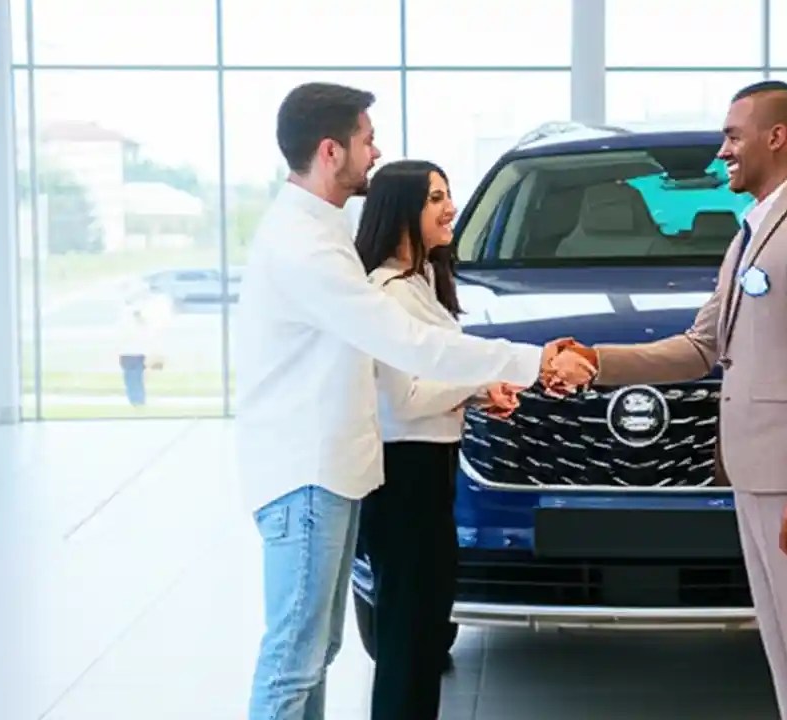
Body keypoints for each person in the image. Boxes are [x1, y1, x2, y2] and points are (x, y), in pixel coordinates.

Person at [234, 82, 594, 720]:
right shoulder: (306, 246)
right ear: (330, 151)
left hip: (329, 473)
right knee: (294, 658)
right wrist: (533, 362)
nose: (375, 153)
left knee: (314, 652)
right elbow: (406, 343)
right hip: (306, 476)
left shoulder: (322, 233)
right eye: (366, 140)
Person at [555, 80, 787, 719]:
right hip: (755, 471)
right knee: (784, 641)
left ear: (775, 137)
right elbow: (701, 347)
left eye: (732, 135)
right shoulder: (752, 232)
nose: (722, 150)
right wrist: (595, 362)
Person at [352, 159, 517, 719]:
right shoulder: (386, 293)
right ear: (401, 210)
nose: (451, 209)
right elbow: (403, 400)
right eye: (435, 199)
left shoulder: (421, 282)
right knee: (406, 638)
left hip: (432, 470)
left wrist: (477, 394)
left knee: (423, 633)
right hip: (402, 478)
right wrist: (477, 384)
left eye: (447, 195)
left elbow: (432, 380)